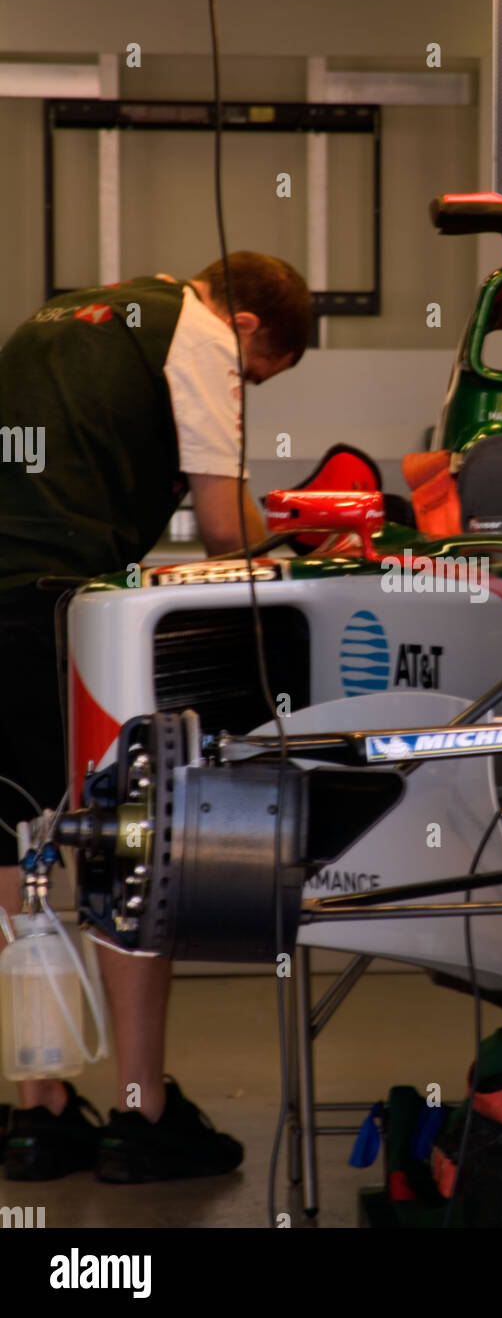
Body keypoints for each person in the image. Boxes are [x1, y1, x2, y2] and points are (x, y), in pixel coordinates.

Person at [0, 251, 312, 1182]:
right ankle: (142, 1113)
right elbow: (226, 529)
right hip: (62, 605)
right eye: (257, 382)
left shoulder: (66, 313)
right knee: (129, 838)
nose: (246, 393)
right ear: (250, 329)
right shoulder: (205, 337)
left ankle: (37, 1109)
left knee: (13, 849)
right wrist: (296, 550)